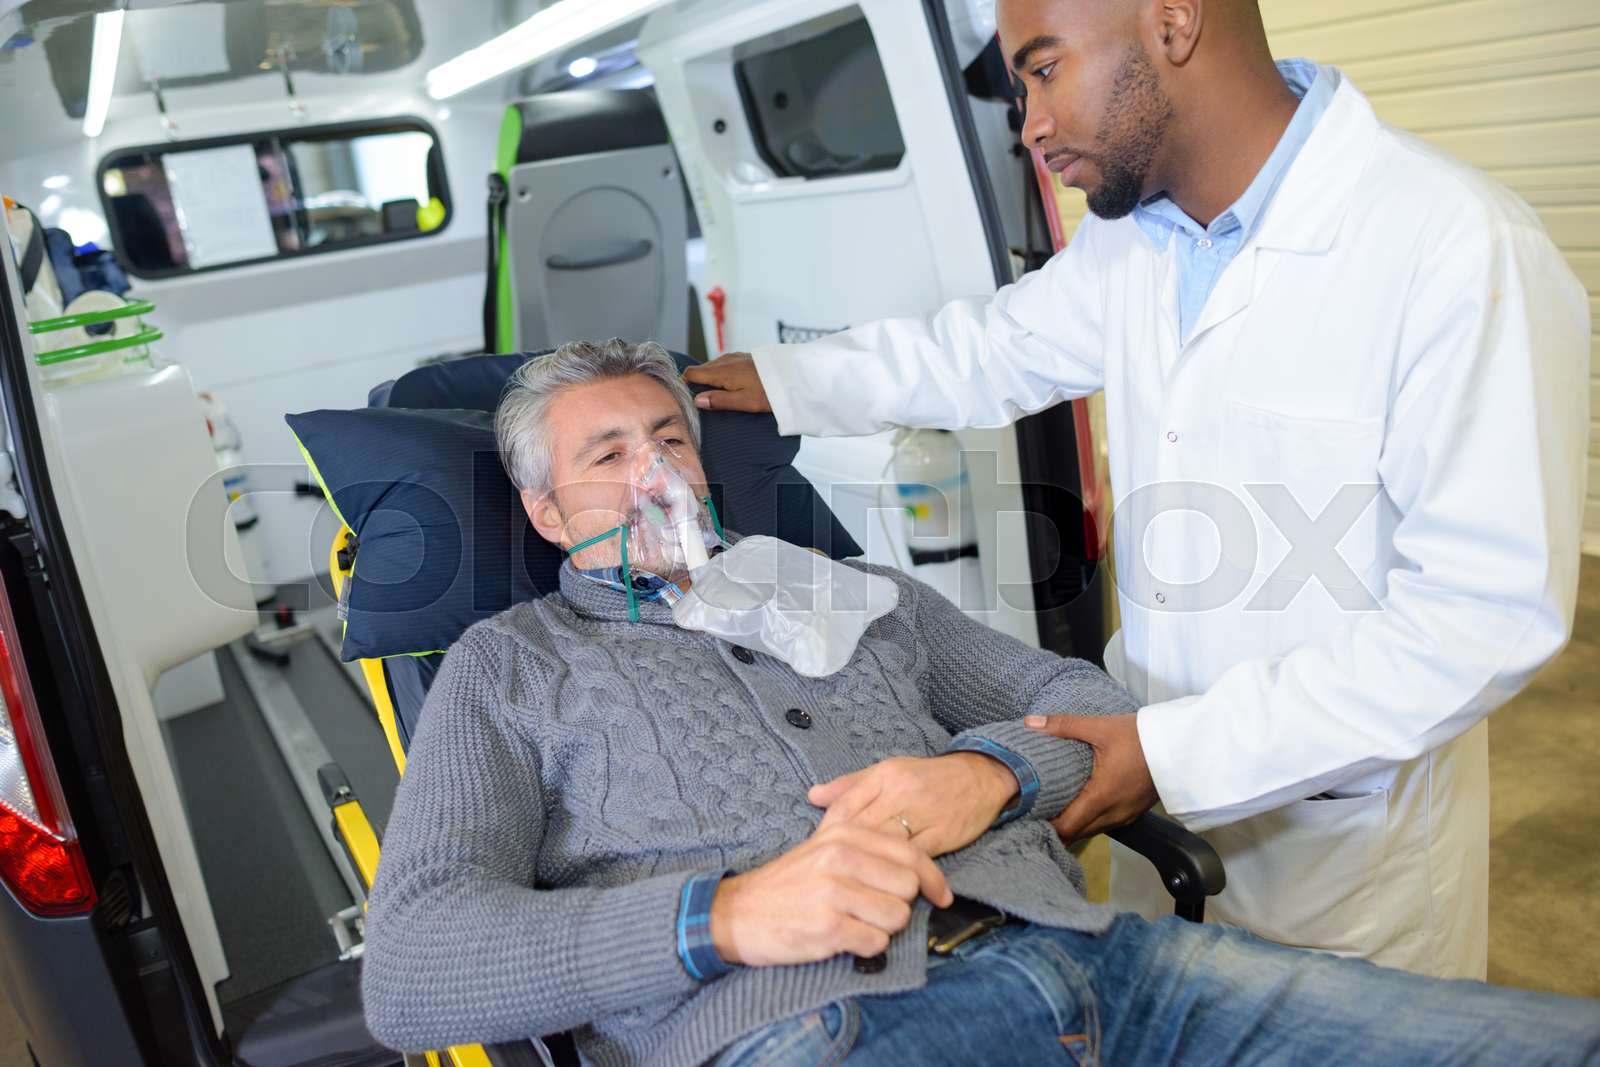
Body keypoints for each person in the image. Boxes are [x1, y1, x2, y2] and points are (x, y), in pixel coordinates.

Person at [359, 341, 1600, 1067]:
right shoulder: (509, 666)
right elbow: (412, 968)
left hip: (1110, 968)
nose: (657, 472)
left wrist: (1000, 773)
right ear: (543, 511)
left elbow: (1082, 699)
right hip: (820, 1029)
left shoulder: (851, 593)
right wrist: (721, 916)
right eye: (608, 455)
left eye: (670, 439)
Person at [682, 0, 1592, 979]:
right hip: (1155, 798)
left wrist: (1167, 752)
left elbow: (1479, 616)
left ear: (1171, 23)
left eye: (1041, 70)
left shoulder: (1454, 249)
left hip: (1339, 857)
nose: (1029, 122)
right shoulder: (1144, 239)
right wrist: (786, 381)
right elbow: (987, 349)